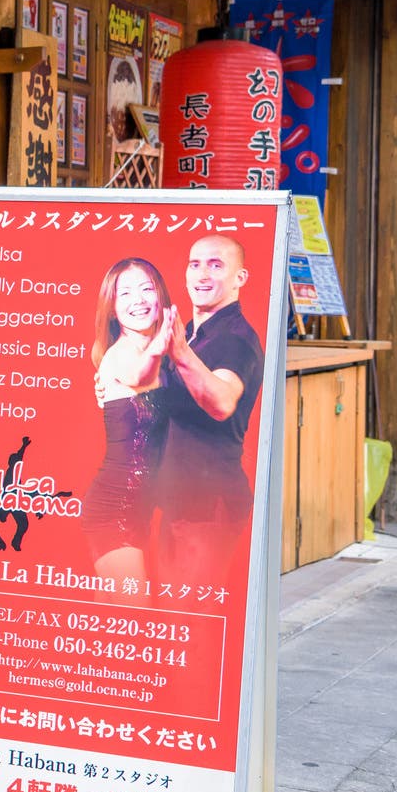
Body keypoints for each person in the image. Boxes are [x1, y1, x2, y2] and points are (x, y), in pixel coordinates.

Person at [152, 234, 265, 576]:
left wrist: (181, 354)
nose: (202, 275)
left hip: (207, 505)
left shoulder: (235, 338)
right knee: (168, 604)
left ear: (239, 278)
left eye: (216, 266)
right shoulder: (191, 332)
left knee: (191, 604)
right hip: (177, 500)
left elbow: (222, 401)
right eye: (195, 265)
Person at [81, 258, 175, 582]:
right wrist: (163, 346)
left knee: (116, 609)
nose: (139, 300)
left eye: (147, 289)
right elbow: (138, 375)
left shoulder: (165, 358)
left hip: (141, 510)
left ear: (160, 296)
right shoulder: (121, 355)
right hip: (114, 510)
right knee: (132, 604)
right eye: (125, 293)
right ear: (111, 307)